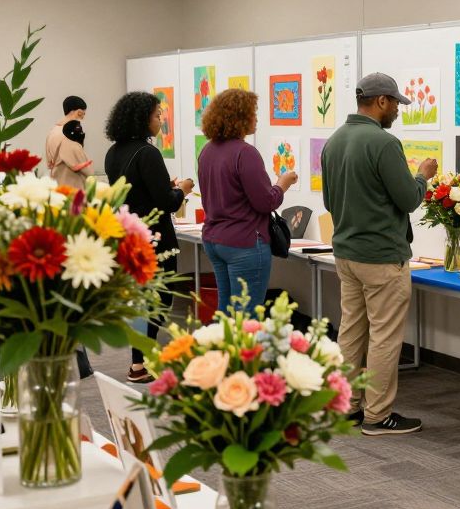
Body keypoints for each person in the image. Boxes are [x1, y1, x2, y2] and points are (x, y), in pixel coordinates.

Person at [321, 72, 438, 435]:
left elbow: (329, 201)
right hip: (382, 256)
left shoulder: (334, 141)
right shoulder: (384, 144)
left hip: (346, 253)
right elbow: (408, 199)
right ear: (382, 101)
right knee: (385, 336)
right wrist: (422, 176)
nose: (398, 112)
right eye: (396, 105)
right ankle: (378, 415)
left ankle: (345, 407)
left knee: (351, 333)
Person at [105, 92, 193, 384]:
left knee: (140, 299)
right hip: (155, 237)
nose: (160, 121)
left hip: (130, 234)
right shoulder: (147, 152)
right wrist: (183, 189)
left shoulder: (114, 152)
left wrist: (164, 188)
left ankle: (138, 362)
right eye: (157, 116)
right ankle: (140, 362)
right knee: (159, 300)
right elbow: (167, 202)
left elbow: (132, 190)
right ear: (142, 119)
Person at [199, 88, 295, 313]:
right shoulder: (245, 153)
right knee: (247, 316)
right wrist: (282, 184)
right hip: (243, 242)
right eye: (253, 113)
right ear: (239, 118)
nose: (256, 118)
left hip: (214, 239)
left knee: (226, 310)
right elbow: (265, 202)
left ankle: (221, 349)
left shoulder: (207, 151)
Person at [45, 95, 87, 175]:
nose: (83, 118)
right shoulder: (72, 134)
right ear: (78, 112)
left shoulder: (51, 132)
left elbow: (49, 164)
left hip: (55, 179)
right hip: (71, 180)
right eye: (82, 114)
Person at [50, 119, 93, 189]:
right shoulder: (75, 147)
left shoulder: (59, 147)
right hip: (73, 191)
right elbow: (89, 173)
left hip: (59, 190)